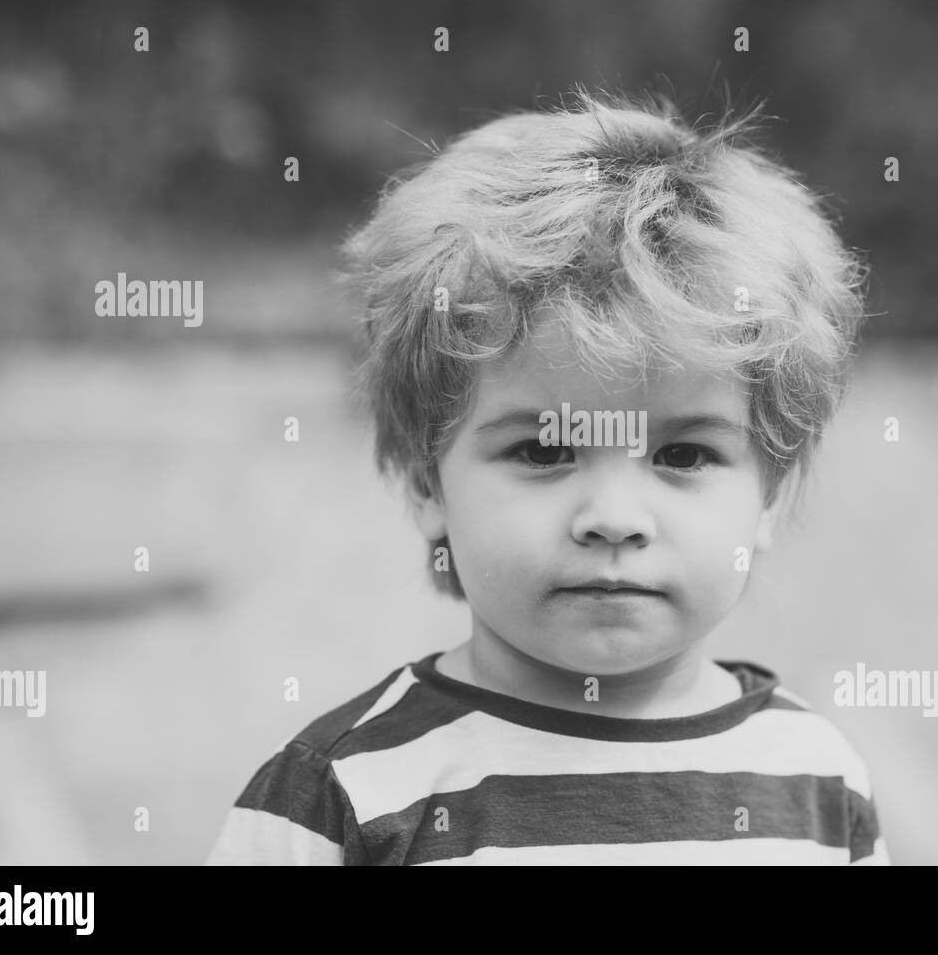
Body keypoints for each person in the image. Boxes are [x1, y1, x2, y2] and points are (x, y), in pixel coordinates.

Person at [206, 87, 889, 865]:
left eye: (684, 455)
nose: (613, 516)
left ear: (768, 493)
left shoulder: (815, 781)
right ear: (427, 482)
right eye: (541, 451)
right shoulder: (342, 797)